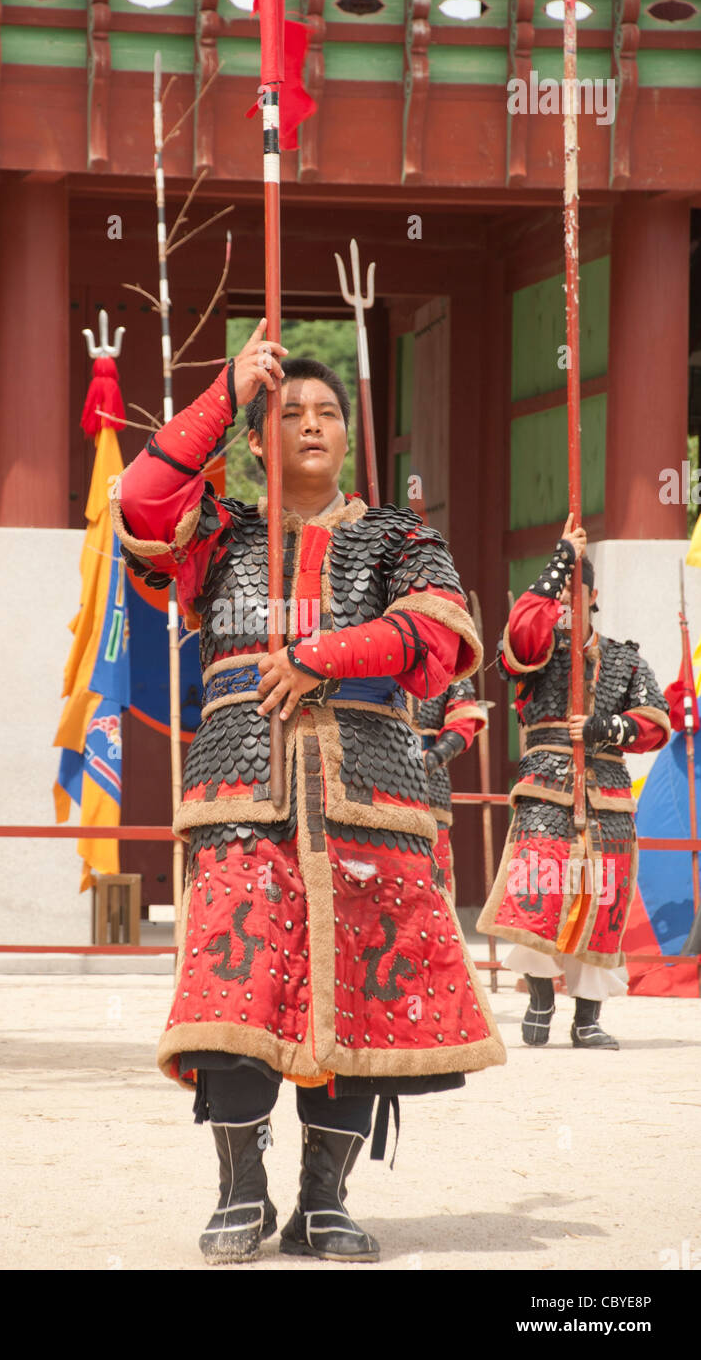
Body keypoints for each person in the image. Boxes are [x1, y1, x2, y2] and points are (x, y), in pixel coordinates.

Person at [113, 321, 505, 1264]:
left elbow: (438, 639)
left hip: (371, 793)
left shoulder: (400, 535)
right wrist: (229, 386)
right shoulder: (218, 532)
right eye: (292, 412)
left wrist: (324, 654)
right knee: (238, 990)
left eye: (330, 412)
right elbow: (142, 495)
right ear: (258, 438)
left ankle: (324, 1199)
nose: (316, 424)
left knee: (359, 1001)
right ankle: (240, 1191)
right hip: (242, 786)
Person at [477, 516, 670, 1049]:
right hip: (547, 790)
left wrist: (609, 726)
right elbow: (522, 629)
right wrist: (562, 556)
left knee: (600, 900)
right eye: (558, 591)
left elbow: (655, 720)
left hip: (606, 794)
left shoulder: (626, 658)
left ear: (594, 595)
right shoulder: (537, 653)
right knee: (537, 893)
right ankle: (540, 993)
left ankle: (588, 1016)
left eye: (574, 590)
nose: (565, 599)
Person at [410, 680, 487, 902]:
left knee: (436, 887)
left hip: (430, 784)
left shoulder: (453, 671)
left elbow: (463, 724)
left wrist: (433, 758)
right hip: (379, 775)